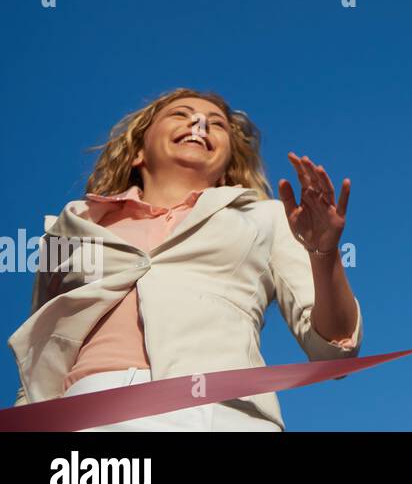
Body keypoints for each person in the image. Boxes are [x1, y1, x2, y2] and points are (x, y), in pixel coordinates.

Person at [8, 88, 363, 430]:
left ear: (226, 165)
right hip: (86, 412)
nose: (199, 124)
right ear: (138, 152)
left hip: (220, 410)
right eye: (181, 115)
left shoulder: (267, 217)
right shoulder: (74, 226)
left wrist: (325, 252)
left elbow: (335, 349)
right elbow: (40, 357)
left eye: (217, 124)